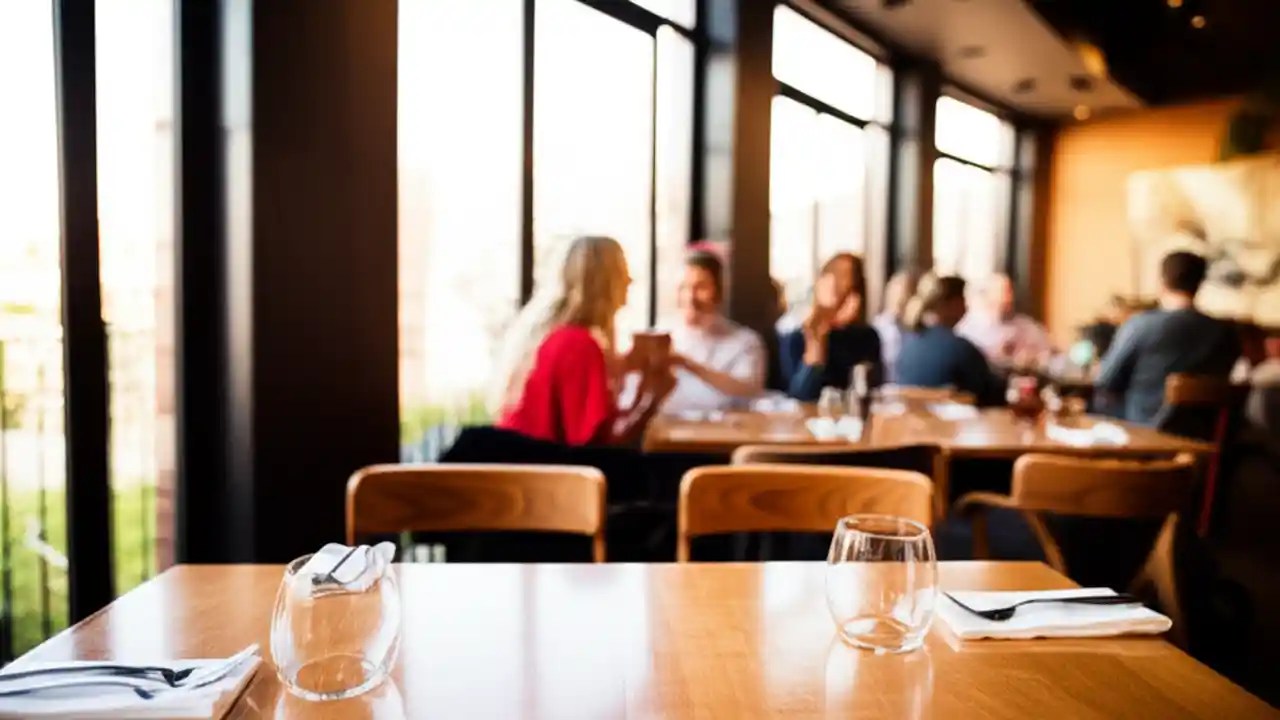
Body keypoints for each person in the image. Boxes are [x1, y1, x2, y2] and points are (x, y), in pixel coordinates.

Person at [492, 236, 674, 446]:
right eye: (623, 273)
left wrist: (634, 383)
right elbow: (594, 449)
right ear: (606, 283)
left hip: (523, 460)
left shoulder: (555, 335)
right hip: (538, 464)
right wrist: (652, 400)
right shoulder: (579, 344)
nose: (630, 281)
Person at [1097, 251, 1240, 425]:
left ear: (1162, 282)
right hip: (1203, 432)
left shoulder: (1140, 325)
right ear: (1199, 284)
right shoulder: (1226, 332)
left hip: (1142, 430)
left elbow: (1106, 379)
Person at [660, 250, 767, 413]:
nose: (690, 297)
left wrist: (687, 364)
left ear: (719, 292)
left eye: (700, 287)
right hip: (666, 426)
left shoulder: (746, 342)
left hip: (724, 427)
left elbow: (750, 390)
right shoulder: (660, 336)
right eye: (684, 287)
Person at [778, 253, 882, 401]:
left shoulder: (867, 337)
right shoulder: (796, 338)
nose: (844, 292)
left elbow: (869, 389)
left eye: (852, 286)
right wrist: (817, 343)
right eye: (839, 281)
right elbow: (800, 396)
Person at [895, 275, 1004, 406]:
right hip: (950, 419)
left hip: (910, 417)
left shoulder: (908, 344)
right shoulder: (961, 349)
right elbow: (992, 393)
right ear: (953, 304)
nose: (966, 306)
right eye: (963, 299)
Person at [956, 273, 1053, 365]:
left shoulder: (1026, 326)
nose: (1010, 298)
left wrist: (1033, 357)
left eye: (1010, 291)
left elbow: (1049, 354)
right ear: (986, 295)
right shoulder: (967, 330)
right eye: (1005, 291)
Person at [871, 268, 923, 384]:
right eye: (896, 294)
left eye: (905, 295)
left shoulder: (917, 331)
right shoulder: (878, 328)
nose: (900, 300)